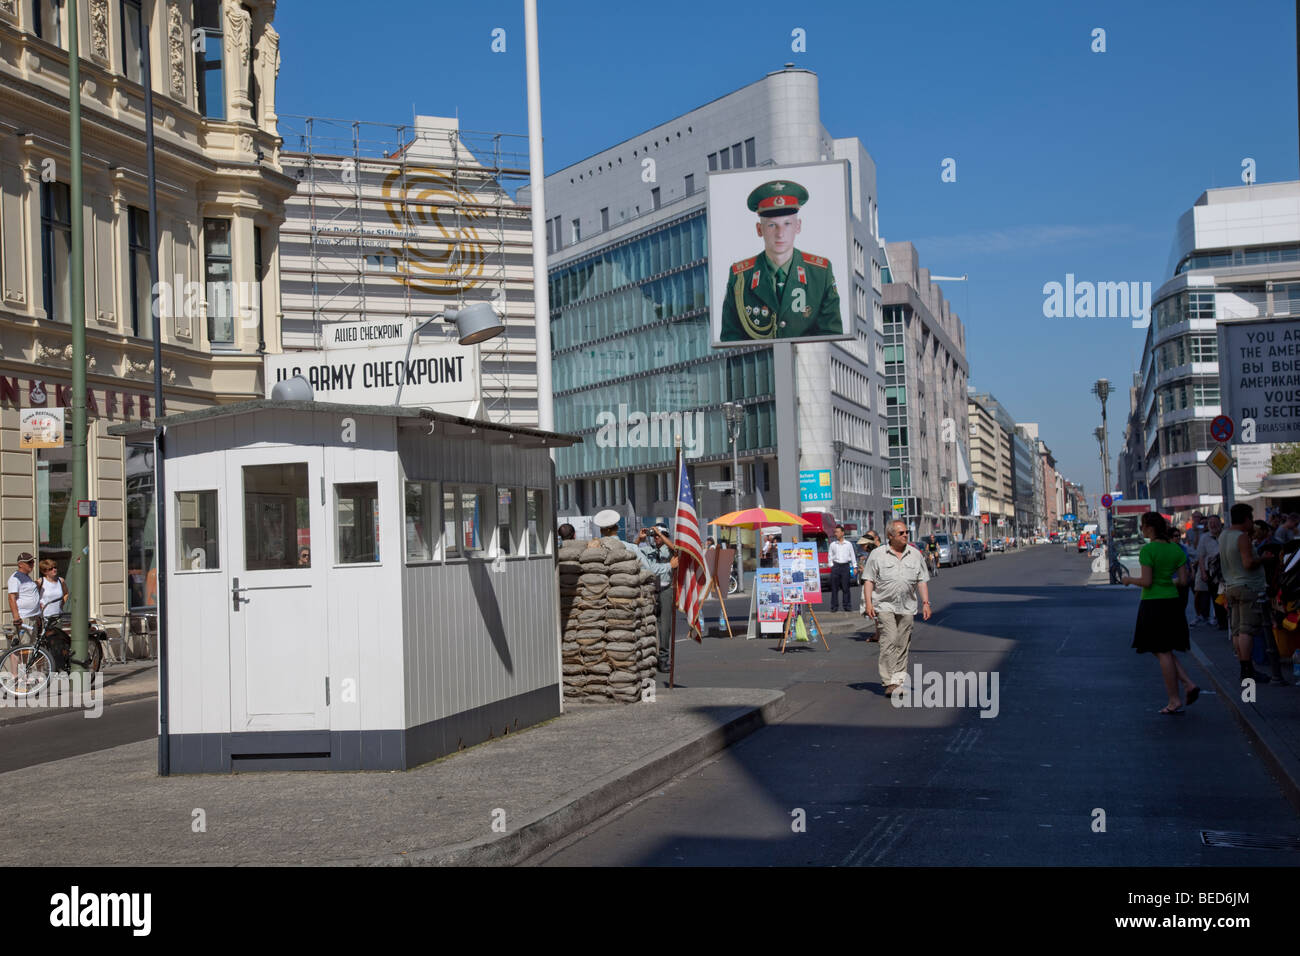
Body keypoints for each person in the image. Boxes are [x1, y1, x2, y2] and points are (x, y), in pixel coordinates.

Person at [718, 180, 842, 342]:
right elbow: (731, 341)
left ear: (798, 226)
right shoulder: (741, 276)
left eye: (787, 224)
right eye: (771, 225)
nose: (780, 233)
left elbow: (831, 338)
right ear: (759, 229)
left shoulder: (819, 273)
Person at [1120, 512, 1199, 714]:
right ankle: (1188, 684)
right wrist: (1166, 582)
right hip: (1173, 602)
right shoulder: (1176, 549)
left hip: (1153, 603)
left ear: (1150, 528)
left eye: (1143, 526)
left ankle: (1174, 700)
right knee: (1163, 649)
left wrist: (1129, 580)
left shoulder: (1148, 550)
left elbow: (1146, 582)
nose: (1141, 530)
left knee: (1161, 651)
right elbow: (1183, 581)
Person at [591, 511, 677, 672]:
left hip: (663, 589)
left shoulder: (669, 551)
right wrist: (641, 540)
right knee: (644, 625)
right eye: (655, 535)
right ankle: (645, 658)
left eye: (660, 535)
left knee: (663, 627)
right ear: (617, 527)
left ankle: (661, 659)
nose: (656, 537)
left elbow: (676, 550)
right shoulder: (638, 547)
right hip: (646, 591)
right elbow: (640, 560)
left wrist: (660, 534)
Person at [862, 520, 932, 697]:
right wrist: (869, 603)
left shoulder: (915, 554)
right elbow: (868, 580)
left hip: (907, 606)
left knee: (902, 643)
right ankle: (889, 681)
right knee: (889, 639)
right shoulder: (878, 554)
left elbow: (921, 580)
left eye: (906, 532)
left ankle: (899, 680)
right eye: (901, 533)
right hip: (884, 604)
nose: (905, 535)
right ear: (890, 536)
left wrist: (926, 603)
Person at [1220, 503, 1272, 685]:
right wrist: (1263, 559)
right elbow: (1248, 563)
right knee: (1246, 630)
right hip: (1248, 587)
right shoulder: (1241, 537)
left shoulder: (1224, 535)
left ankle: (1245, 669)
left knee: (1236, 630)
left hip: (1231, 586)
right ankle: (1248, 670)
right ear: (1246, 519)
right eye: (1251, 519)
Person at [1192, 515, 1223, 628]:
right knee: (1214, 596)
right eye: (1211, 522)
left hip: (1225, 570)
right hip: (1211, 571)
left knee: (1224, 596)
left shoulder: (1224, 535)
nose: (1213, 525)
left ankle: (1223, 620)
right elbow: (1201, 556)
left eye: (1215, 522)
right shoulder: (1204, 537)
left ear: (1220, 523)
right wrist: (1203, 573)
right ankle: (1218, 620)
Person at [6, 552, 40, 645]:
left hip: (32, 617)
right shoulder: (15, 578)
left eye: (32, 562)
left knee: (30, 647)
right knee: (22, 647)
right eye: (29, 562)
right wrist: (16, 617)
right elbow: (11, 597)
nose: (32, 564)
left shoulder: (27, 577)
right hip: (24, 618)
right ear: (20, 564)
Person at [827, 525, 854, 612]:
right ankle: (834, 606)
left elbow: (852, 556)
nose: (836, 534)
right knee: (834, 588)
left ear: (842, 533)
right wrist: (831, 565)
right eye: (835, 532)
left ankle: (847, 605)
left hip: (845, 566)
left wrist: (855, 566)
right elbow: (830, 556)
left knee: (846, 587)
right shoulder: (833, 544)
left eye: (838, 532)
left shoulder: (848, 544)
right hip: (836, 566)